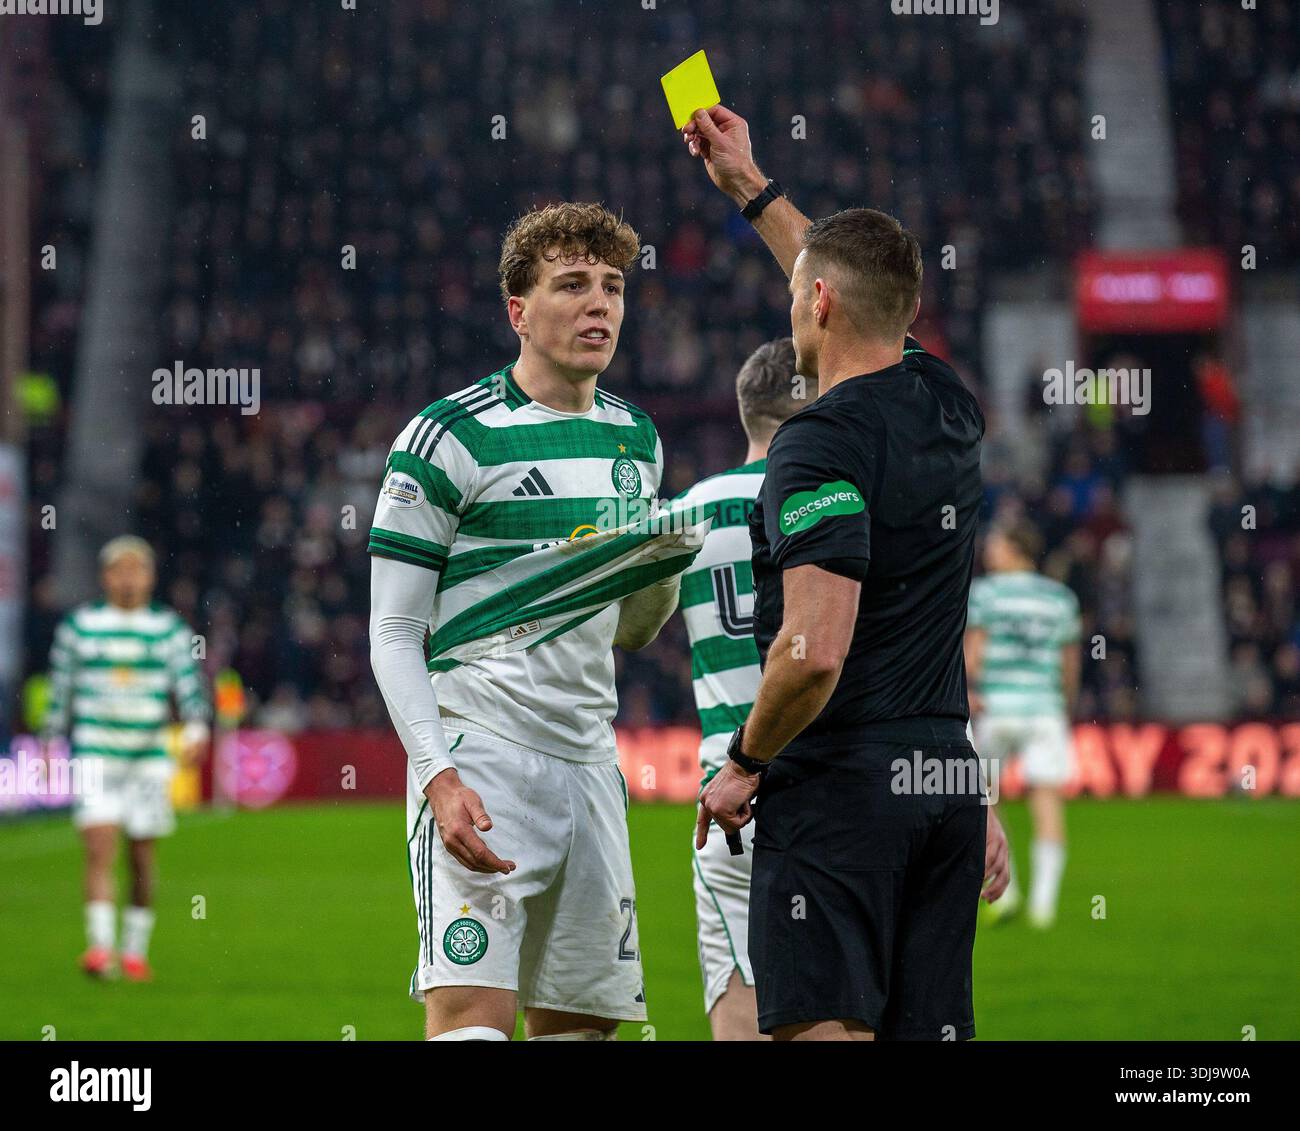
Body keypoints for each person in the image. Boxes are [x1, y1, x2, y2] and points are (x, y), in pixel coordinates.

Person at [684, 104, 1010, 1041]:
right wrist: (750, 188)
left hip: (842, 789)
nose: (793, 303)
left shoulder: (816, 443)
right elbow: (849, 282)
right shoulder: (949, 403)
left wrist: (744, 761)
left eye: (800, 293)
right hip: (944, 778)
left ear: (818, 304)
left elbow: (814, 650)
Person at [368, 202, 689, 1041]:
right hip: (483, 755)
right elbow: (394, 631)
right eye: (572, 284)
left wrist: (659, 571)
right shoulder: (447, 437)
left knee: (580, 1029)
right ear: (518, 310)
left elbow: (628, 631)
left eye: (613, 287)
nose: (600, 306)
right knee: (473, 1020)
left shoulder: (635, 439)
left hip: (590, 762)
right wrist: (438, 773)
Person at [673, 337, 815, 1041]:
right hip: (829, 785)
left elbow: (629, 625)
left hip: (728, 797)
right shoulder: (832, 499)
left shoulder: (687, 512)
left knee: (740, 1013)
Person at [44, 536, 210, 981]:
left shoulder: (169, 630)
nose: (129, 578)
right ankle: (100, 950)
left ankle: (134, 951)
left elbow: (190, 687)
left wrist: (196, 729)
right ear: (106, 577)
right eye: (121, 570)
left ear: (150, 577)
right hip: (95, 752)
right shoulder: (78, 627)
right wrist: (49, 740)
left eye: (137, 570)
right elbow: (60, 690)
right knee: (99, 847)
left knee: (140, 856)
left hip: (148, 757)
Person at [965, 520, 1081, 928]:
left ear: (1015, 548)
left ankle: (1004, 893)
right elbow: (1069, 664)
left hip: (996, 706)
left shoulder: (984, 594)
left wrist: (970, 688)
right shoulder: (1060, 598)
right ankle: (1044, 908)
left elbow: (973, 653)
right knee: (1046, 799)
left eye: (995, 544)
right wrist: (1063, 705)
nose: (989, 551)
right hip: (1045, 708)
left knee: (980, 795)